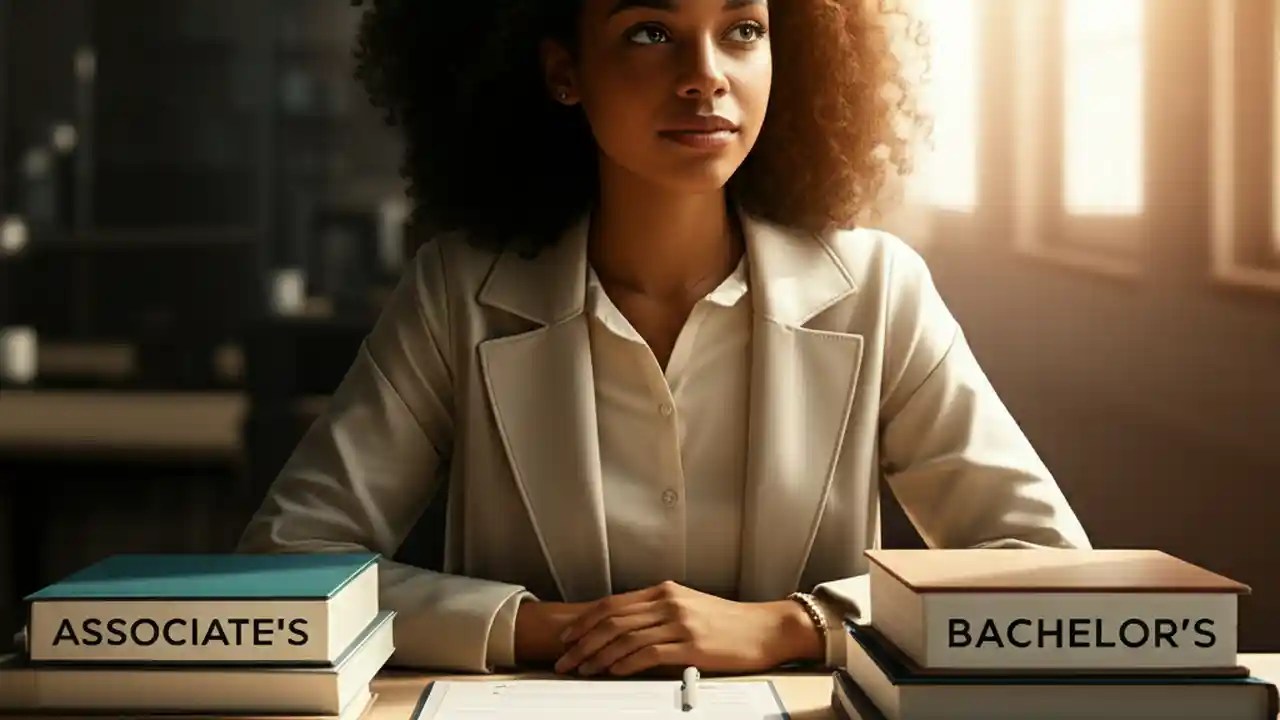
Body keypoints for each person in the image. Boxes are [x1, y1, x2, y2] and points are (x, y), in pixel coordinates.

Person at [237, 0, 1091, 677]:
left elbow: (1045, 569)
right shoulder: (456, 292)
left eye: (743, 30)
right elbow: (289, 566)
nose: (706, 75)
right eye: (651, 32)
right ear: (564, 71)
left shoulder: (878, 289)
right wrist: (539, 629)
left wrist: (792, 626)